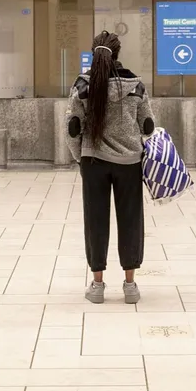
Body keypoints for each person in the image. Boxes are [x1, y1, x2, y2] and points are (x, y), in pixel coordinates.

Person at [67, 30, 155, 304]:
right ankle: (130, 286)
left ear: (94, 52)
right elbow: (147, 125)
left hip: (94, 162)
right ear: (117, 54)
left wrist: (81, 157)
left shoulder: (83, 86)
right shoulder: (137, 86)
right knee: (130, 220)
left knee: (95, 222)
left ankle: (97, 285)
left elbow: (72, 129)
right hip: (129, 162)